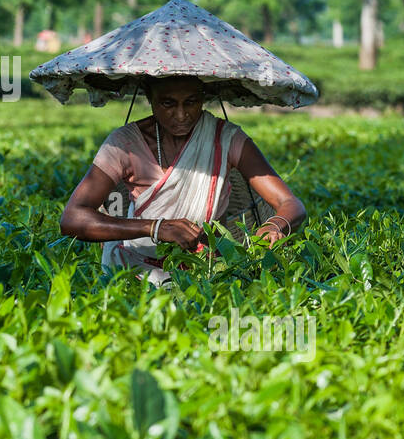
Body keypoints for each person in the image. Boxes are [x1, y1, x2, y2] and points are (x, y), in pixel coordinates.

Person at [59, 74, 307, 285]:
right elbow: (73, 218)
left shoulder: (226, 138)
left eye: (191, 102)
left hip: (207, 274)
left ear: (203, 98)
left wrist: (276, 225)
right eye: (168, 103)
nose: (181, 115)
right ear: (150, 98)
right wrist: (156, 228)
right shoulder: (125, 144)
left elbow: (290, 203)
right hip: (135, 274)